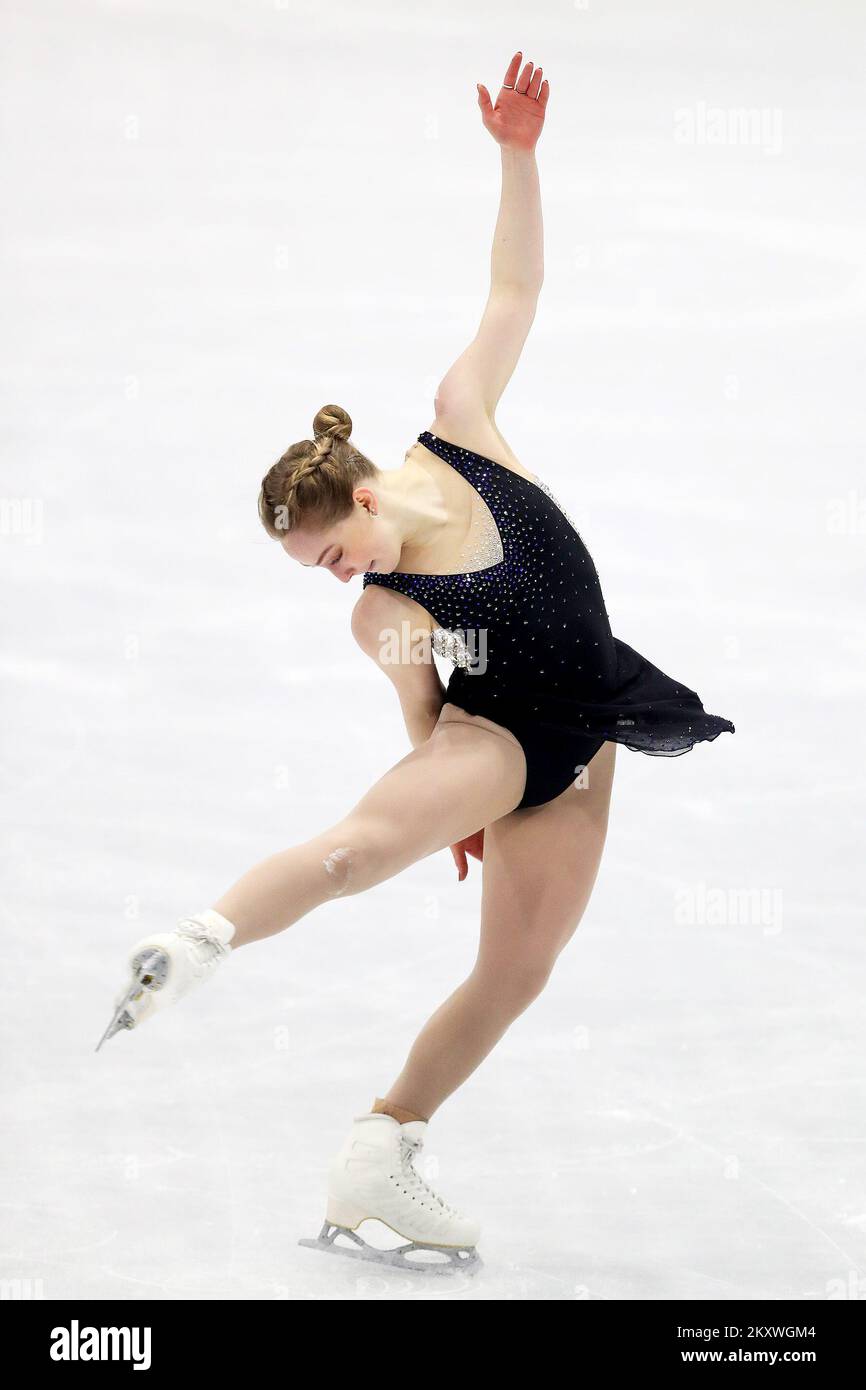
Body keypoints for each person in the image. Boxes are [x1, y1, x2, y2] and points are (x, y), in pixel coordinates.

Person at [97, 52, 734, 1274]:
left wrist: (515, 155)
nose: (337, 576)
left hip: (590, 732)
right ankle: (198, 939)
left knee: (514, 974)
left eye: (331, 551)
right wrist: (445, 801)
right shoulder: (382, 605)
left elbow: (513, 286)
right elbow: (427, 702)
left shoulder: (464, 420)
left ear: (362, 491)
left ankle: (382, 1143)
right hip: (489, 743)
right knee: (355, 849)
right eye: (319, 571)